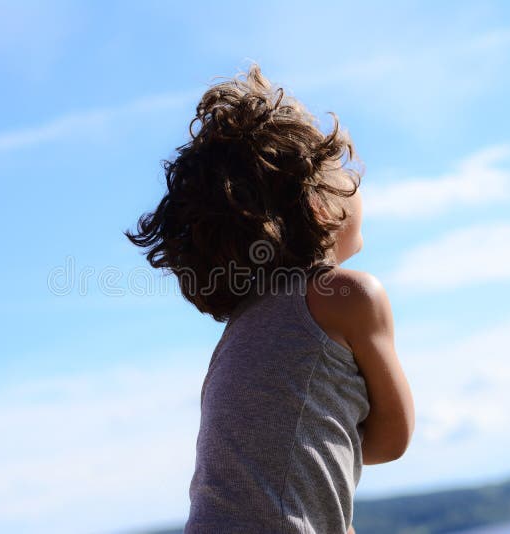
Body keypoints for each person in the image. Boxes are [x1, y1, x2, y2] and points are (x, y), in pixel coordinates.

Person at [125, 62, 415, 534]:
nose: (355, 175)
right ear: (319, 205)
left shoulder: (240, 331)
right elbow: (391, 439)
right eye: (338, 168)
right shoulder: (347, 295)